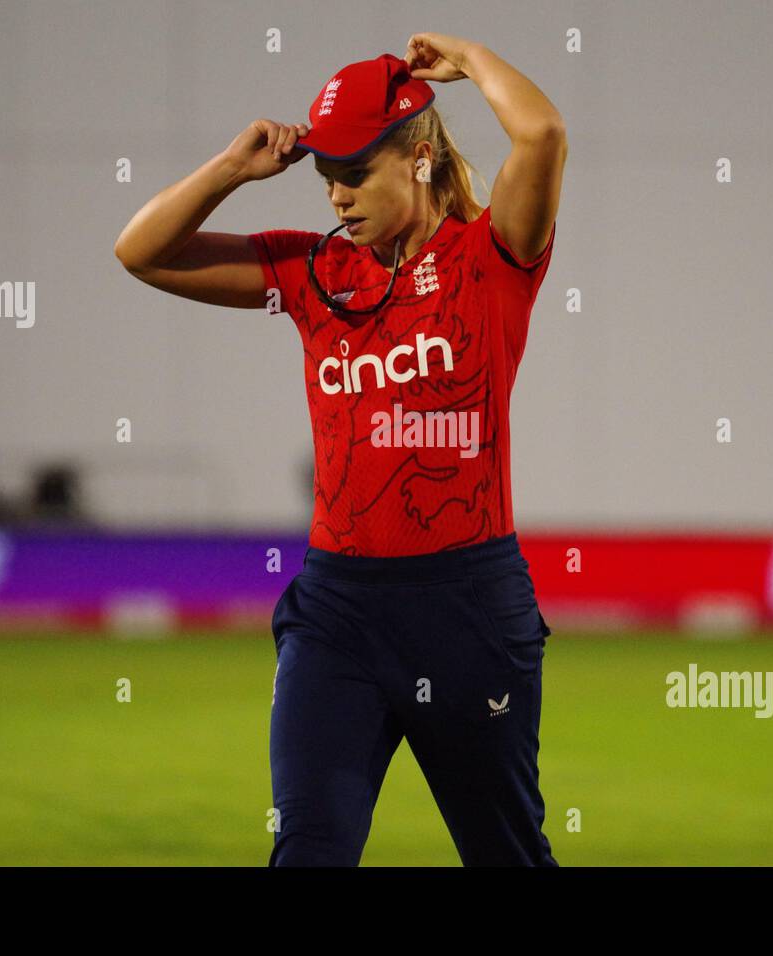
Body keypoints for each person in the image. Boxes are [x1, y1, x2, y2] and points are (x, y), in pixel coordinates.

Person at [115, 33, 567, 866]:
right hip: (338, 613)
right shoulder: (314, 270)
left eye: (356, 172)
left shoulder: (491, 258)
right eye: (327, 175)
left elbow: (539, 135)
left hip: (469, 609)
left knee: (507, 855)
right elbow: (139, 252)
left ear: (421, 158)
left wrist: (467, 57)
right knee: (309, 852)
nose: (337, 196)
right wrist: (229, 168)